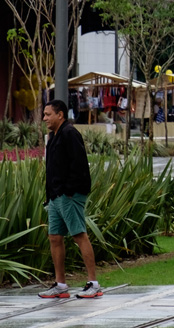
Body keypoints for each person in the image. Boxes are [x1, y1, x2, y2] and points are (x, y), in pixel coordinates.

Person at [38, 100, 102, 299]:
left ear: (60, 115)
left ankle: (94, 284)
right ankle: (61, 285)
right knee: (55, 238)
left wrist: (69, 191)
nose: (44, 118)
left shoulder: (69, 133)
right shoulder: (53, 136)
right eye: (44, 114)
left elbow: (79, 164)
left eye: (48, 114)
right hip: (56, 196)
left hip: (69, 195)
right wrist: (51, 195)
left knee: (78, 234)